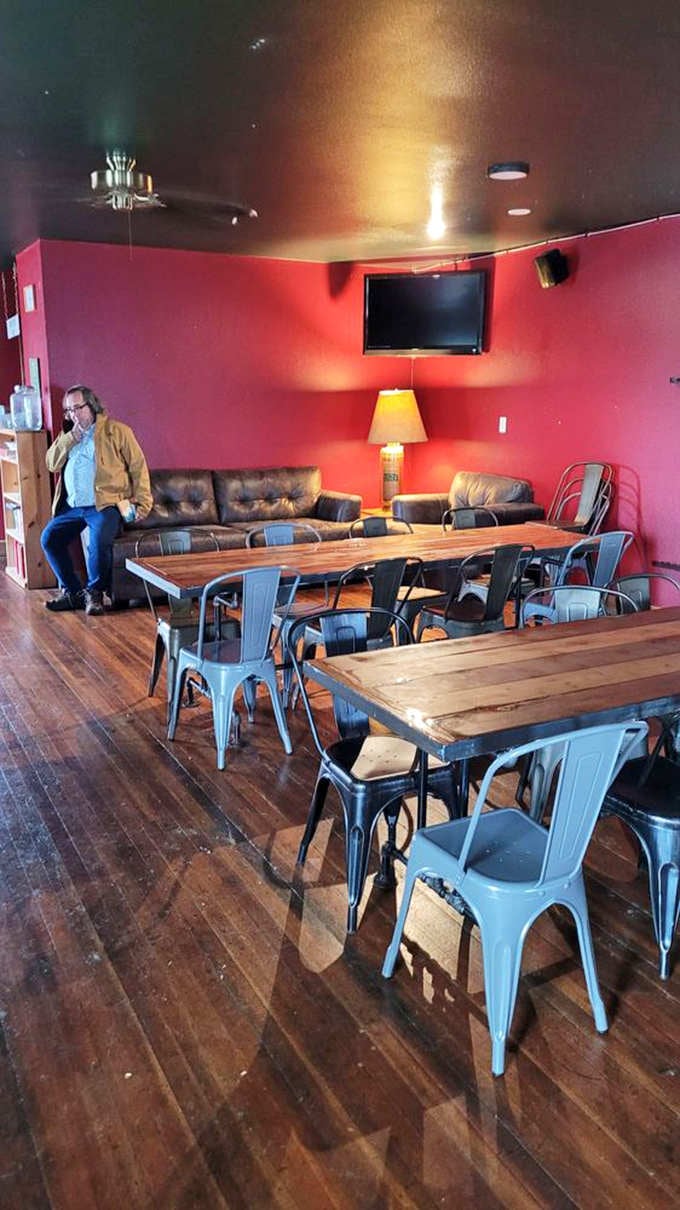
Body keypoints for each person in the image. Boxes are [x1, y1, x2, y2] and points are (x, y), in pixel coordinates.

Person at [41, 385, 152, 615]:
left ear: (91, 405)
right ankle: (73, 593)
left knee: (99, 541)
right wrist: (69, 438)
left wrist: (143, 502)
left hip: (104, 504)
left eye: (77, 408)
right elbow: (51, 464)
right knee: (49, 539)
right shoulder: (68, 435)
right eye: (68, 410)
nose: (73, 414)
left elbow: (138, 466)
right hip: (73, 507)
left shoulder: (116, 431)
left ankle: (95, 594)